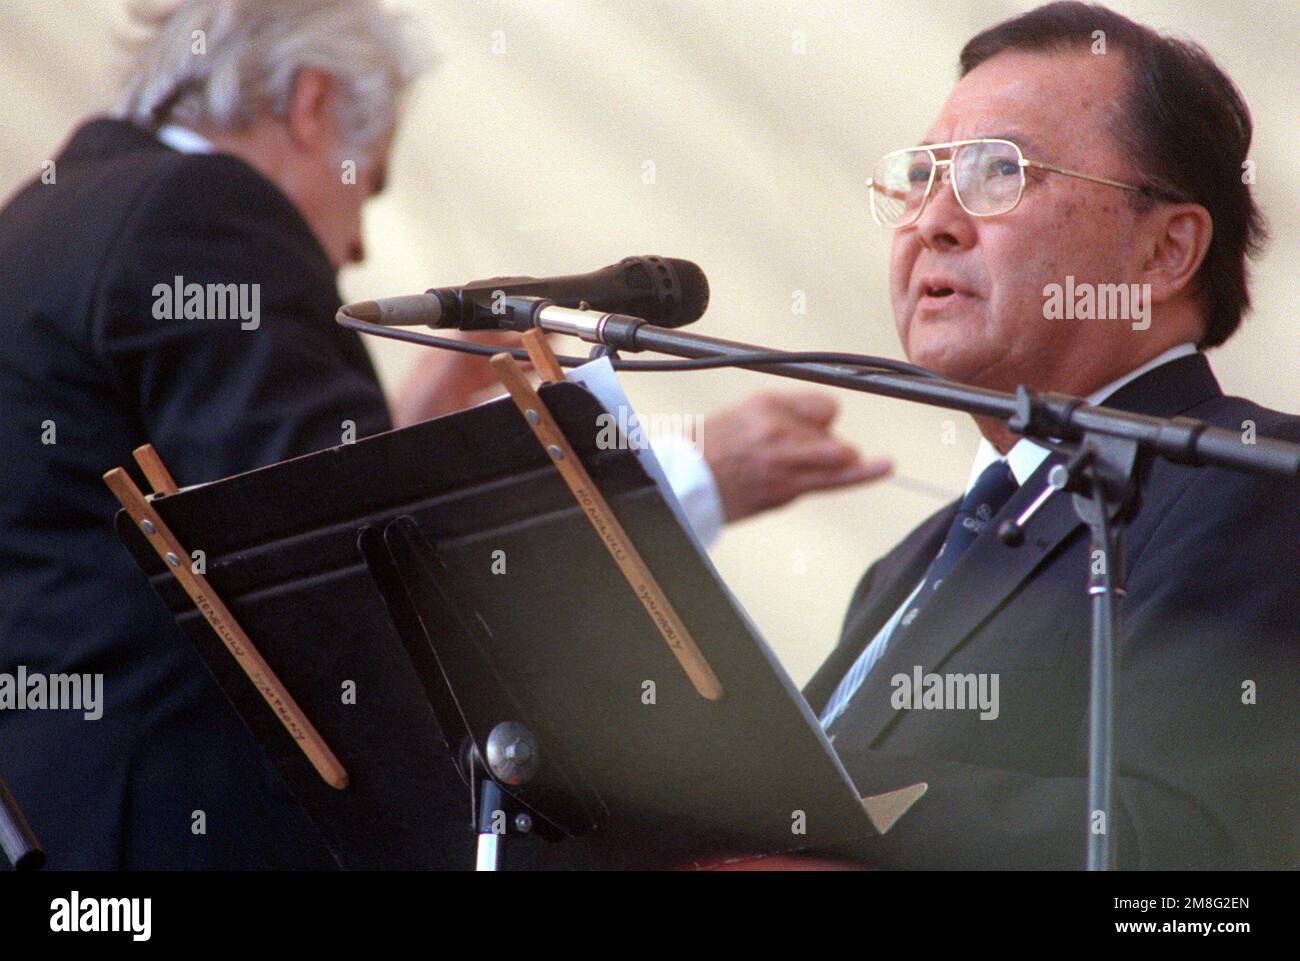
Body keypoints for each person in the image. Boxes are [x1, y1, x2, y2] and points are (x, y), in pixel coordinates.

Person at [0, 0, 889, 869]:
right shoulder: (206, 208)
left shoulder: (44, 217)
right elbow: (342, 590)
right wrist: (698, 472)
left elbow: (263, 518)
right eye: (371, 182)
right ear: (312, 103)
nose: (351, 250)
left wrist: (417, 411)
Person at [804, 1, 1298, 869]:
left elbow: (1193, 871)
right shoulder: (911, 562)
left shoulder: (1255, 480)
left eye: (1000, 173)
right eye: (923, 176)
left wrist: (808, 802)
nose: (933, 222)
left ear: (1165, 252)